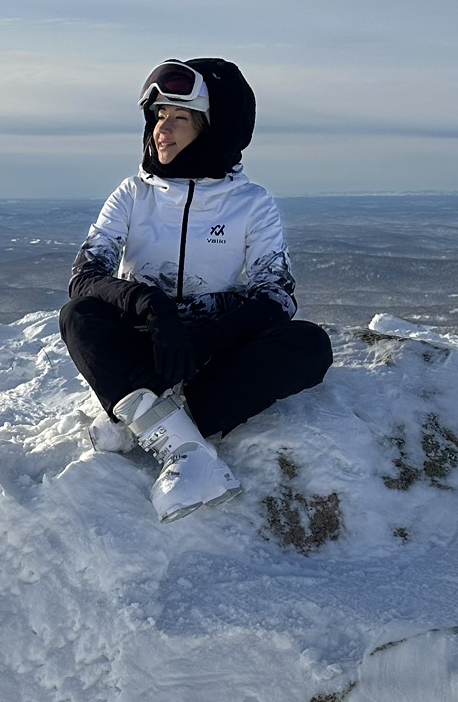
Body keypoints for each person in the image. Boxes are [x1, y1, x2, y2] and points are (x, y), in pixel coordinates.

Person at [60, 58, 332, 520]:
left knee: (309, 345)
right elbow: (84, 276)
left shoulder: (252, 203)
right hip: (146, 341)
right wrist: (148, 304)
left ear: (212, 128)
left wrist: (204, 340)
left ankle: (142, 420)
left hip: (214, 352)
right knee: (79, 316)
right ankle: (186, 448)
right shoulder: (132, 194)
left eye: (179, 118)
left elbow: (276, 294)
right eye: (159, 116)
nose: (161, 130)